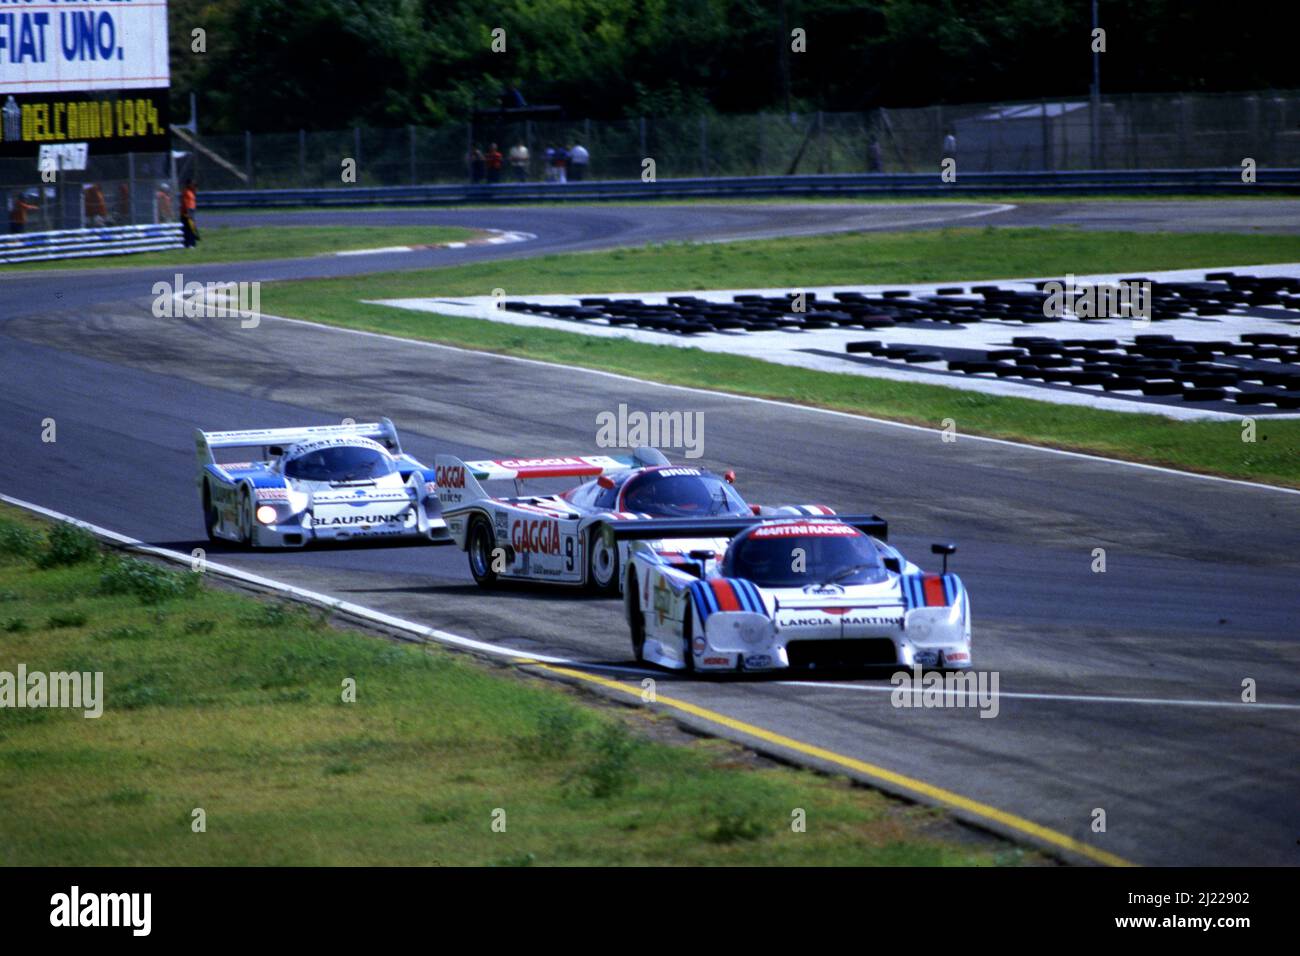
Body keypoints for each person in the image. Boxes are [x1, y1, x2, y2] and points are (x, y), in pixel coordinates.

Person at [180, 179, 199, 247]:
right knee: (188, 229)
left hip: (190, 212)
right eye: (192, 184)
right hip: (186, 213)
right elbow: (186, 204)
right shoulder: (186, 192)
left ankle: (193, 242)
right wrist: (189, 213)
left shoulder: (191, 192)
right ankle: (189, 243)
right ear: (188, 184)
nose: (194, 186)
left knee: (192, 228)